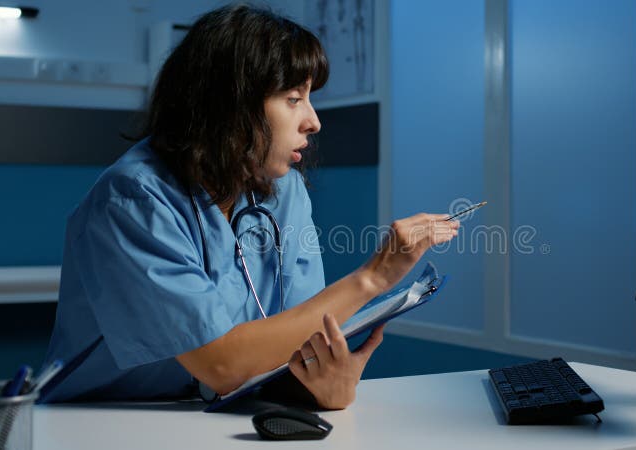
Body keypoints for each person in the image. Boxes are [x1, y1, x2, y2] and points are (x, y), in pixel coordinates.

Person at [40, 4, 459, 410]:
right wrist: (372, 279)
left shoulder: (284, 192)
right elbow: (220, 363)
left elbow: (302, 340)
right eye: (294, 98)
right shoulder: (134, 199)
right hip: (102, 421)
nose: (314, 120)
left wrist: (331, 386)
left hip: (222, 416)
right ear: (230, 104)